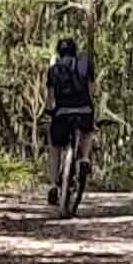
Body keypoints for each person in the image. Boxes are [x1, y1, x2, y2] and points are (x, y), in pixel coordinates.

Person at [44, 32, 95, 209]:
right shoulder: (85, 64)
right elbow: (91, 92)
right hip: (84, 110)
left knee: (54, 146)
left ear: (59, 52)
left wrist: (49, 111)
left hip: (62, 113)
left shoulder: (53, 70)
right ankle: (84, 158)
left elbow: (50, 98)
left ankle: (53, 185)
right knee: (88, 130)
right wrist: (91, 108)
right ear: (75, 51)